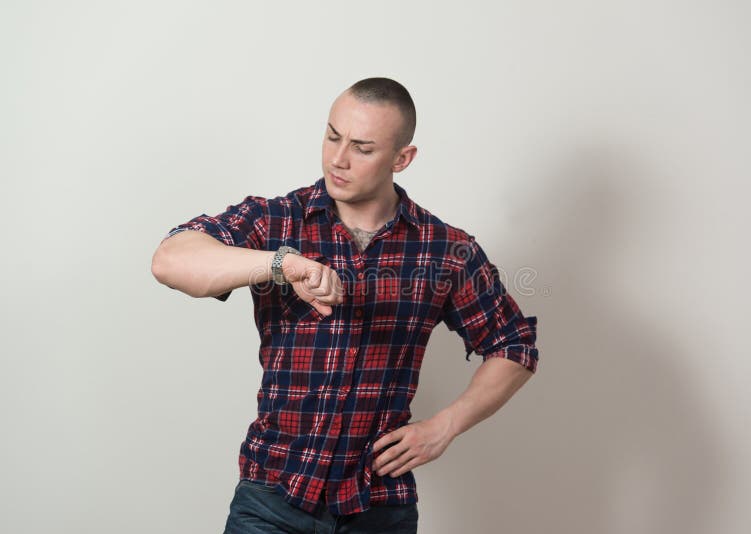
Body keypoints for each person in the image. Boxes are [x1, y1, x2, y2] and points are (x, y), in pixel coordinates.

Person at [151, 77, 539, 534]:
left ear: (402, 158)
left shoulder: (444, 249)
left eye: (362, 147)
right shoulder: (279, 220)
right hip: (272, 498)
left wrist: (445, 426)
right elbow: (170, 259)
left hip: (379, 507)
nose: (338, 158)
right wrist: (281, 265)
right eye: (332, 136)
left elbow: (514, 345)